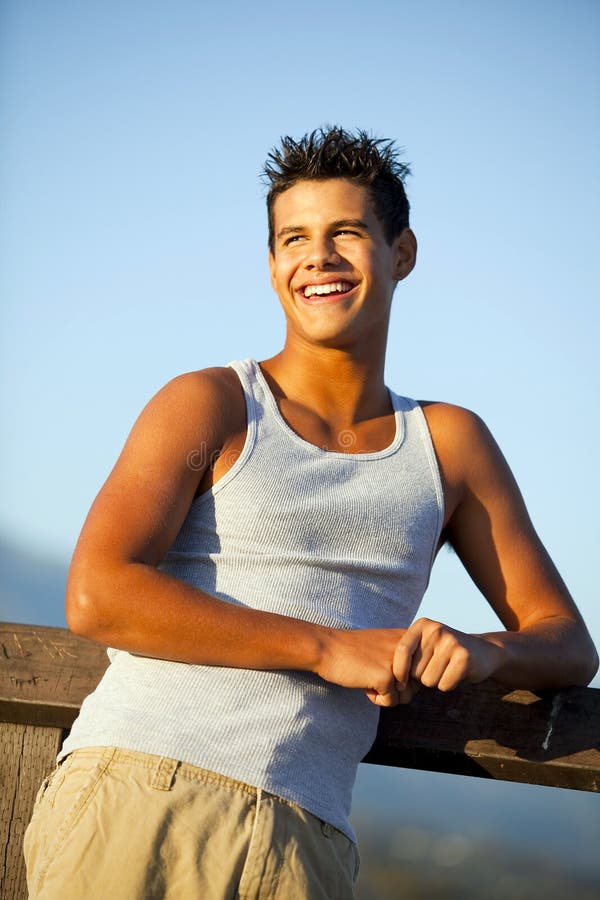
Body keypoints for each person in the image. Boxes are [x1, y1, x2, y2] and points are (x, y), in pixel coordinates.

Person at [24, 127, 597, 899]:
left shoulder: (451, 444)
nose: (318, 257)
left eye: (347, 234)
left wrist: (484, 650)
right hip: (144, 789)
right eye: (295, 238)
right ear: (271, 267)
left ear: (403, 254)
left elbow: (566, 643)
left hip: (308, 834)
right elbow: (99, 593)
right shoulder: (212, 403)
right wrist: (329, 648)